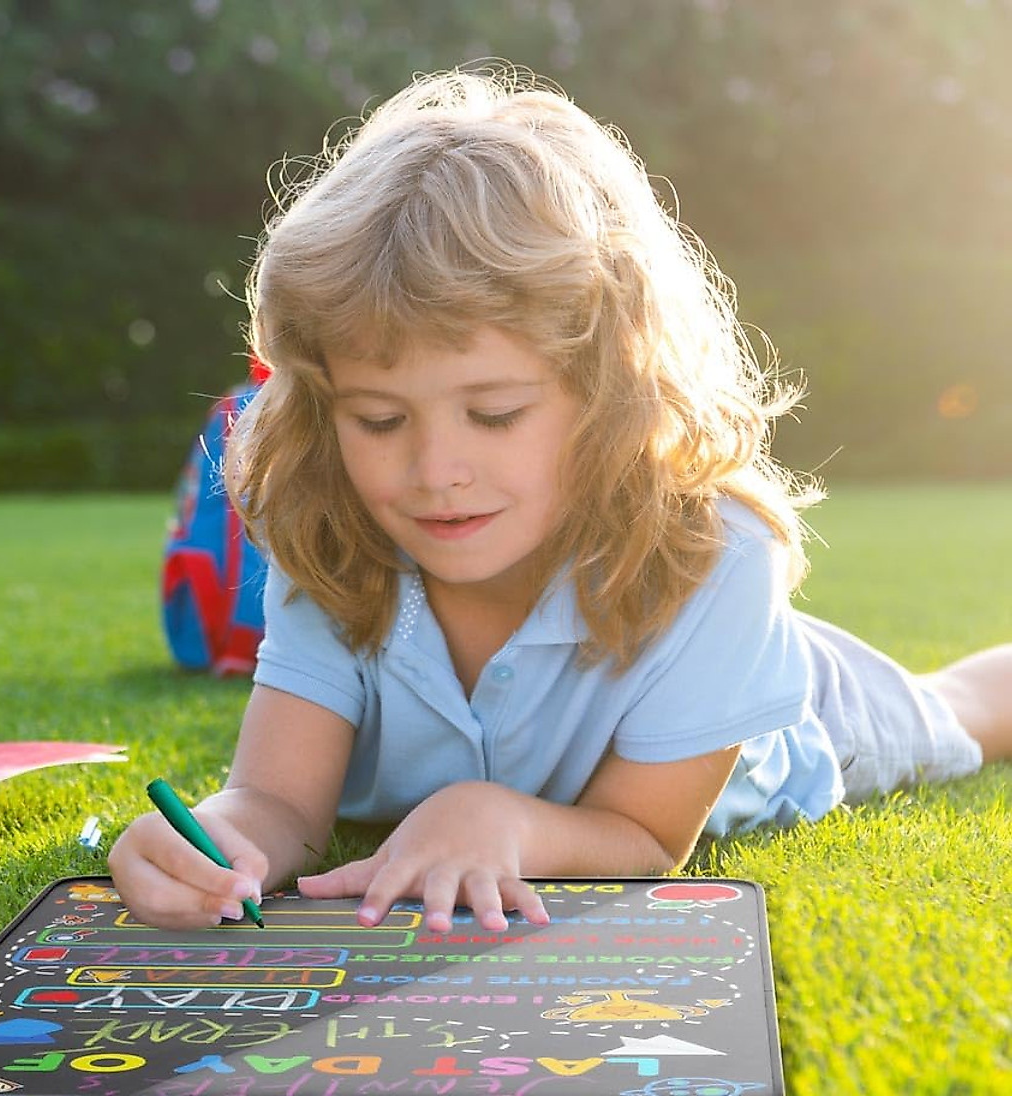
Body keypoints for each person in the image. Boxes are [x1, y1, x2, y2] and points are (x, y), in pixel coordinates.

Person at [108, 65, 1011, 933]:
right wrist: (222, 840)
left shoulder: (721, 556)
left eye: (494, 414)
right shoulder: (338, 532)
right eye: (380, 420)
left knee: (965, 710)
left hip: (784, 722)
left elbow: (646, 838)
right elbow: (278, 802)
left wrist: (496, 817)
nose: (435, 471)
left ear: (611, 389)